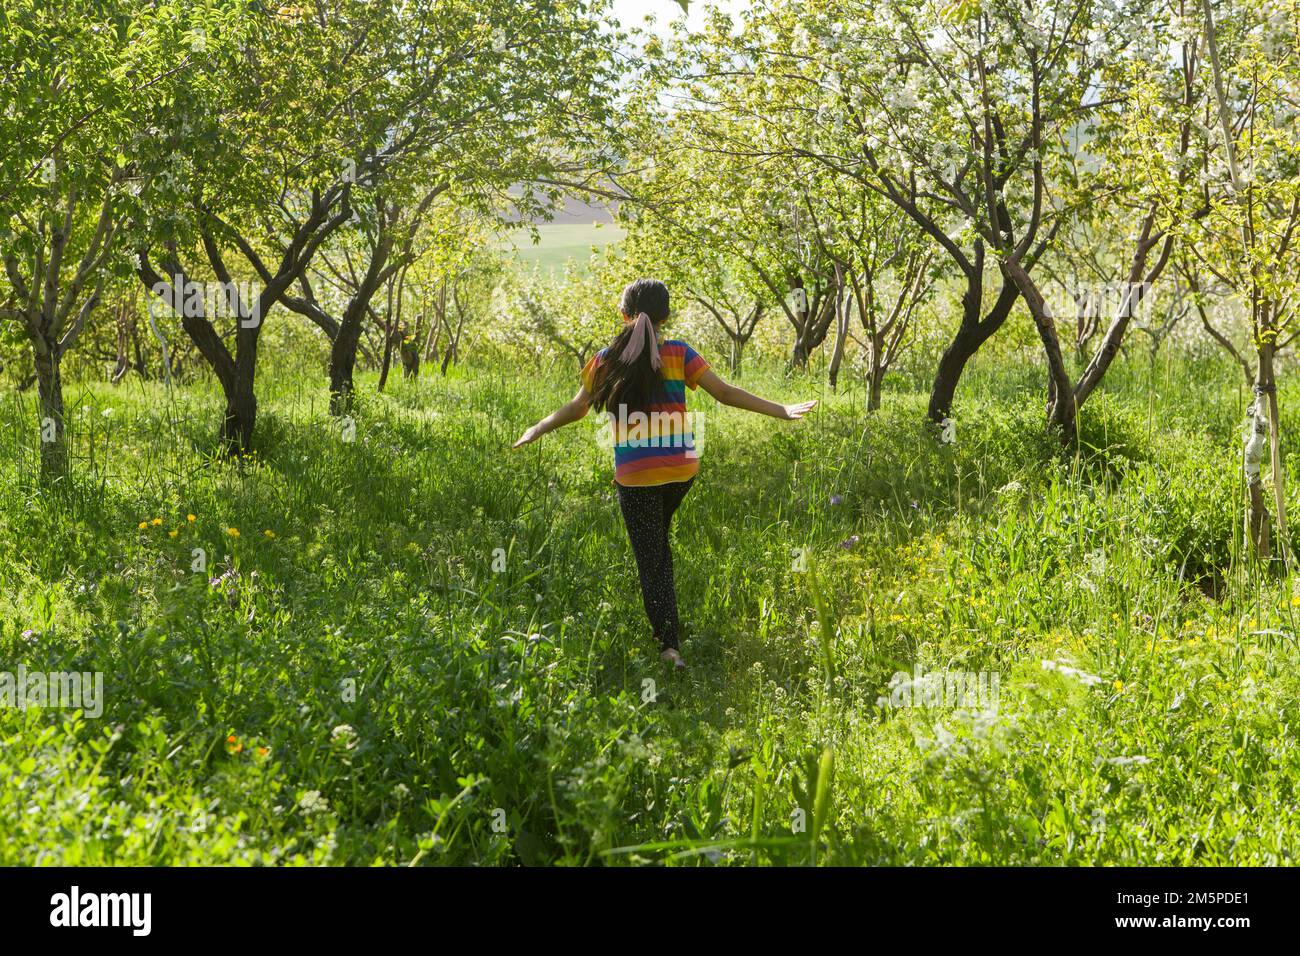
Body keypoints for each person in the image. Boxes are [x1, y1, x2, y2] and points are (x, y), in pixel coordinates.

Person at [512, 278, 816, 670]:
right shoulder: (679, 353)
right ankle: (666, 620)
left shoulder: (606, 360)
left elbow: (576, 409)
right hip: (681, 470)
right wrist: (781, 408)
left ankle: (669, 645)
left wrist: (537, 427)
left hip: (637, 477)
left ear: (622, 315)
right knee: (657, 541)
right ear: (666, 317)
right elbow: (724, 393)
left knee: (652, 556)